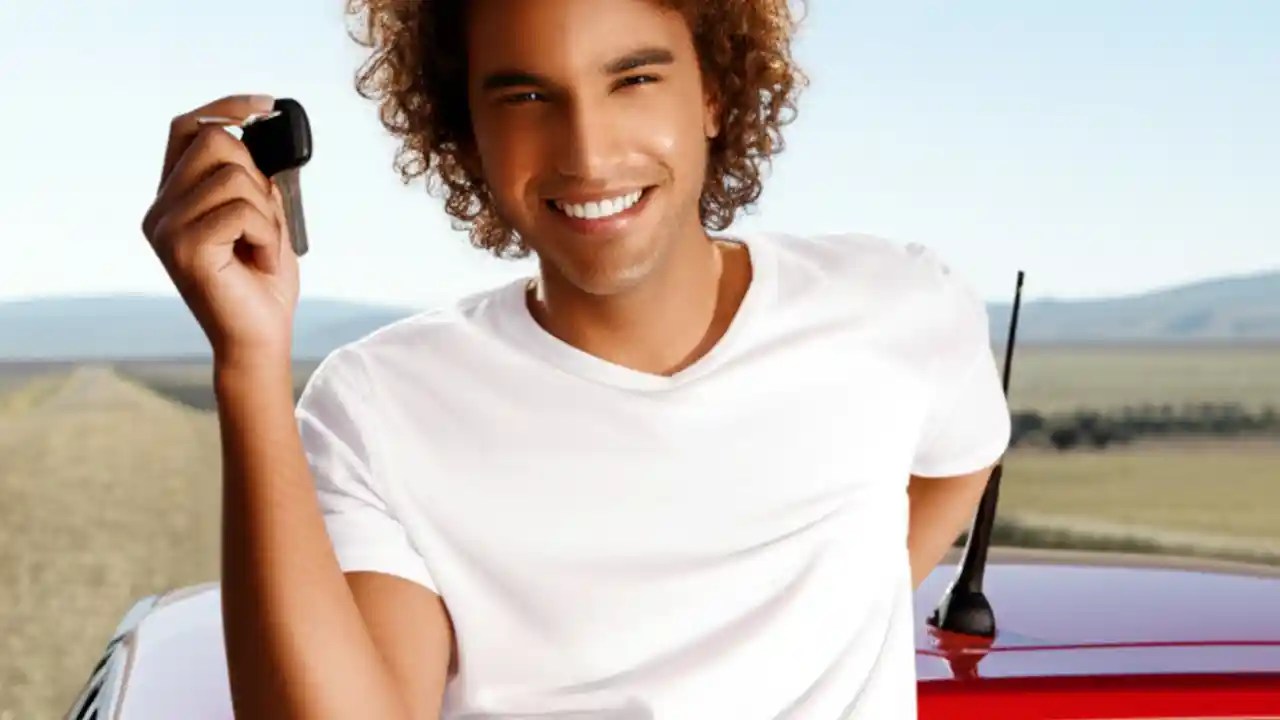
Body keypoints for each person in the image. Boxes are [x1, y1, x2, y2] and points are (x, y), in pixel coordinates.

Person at [140, 0, 1011, 717]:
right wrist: (248, 360)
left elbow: (961, 459)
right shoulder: (379, 409)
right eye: (525, 98)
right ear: (465, 131)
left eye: (633, 79)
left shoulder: (897, 308)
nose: (588, 153)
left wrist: (848, 603)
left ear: (713, 93)